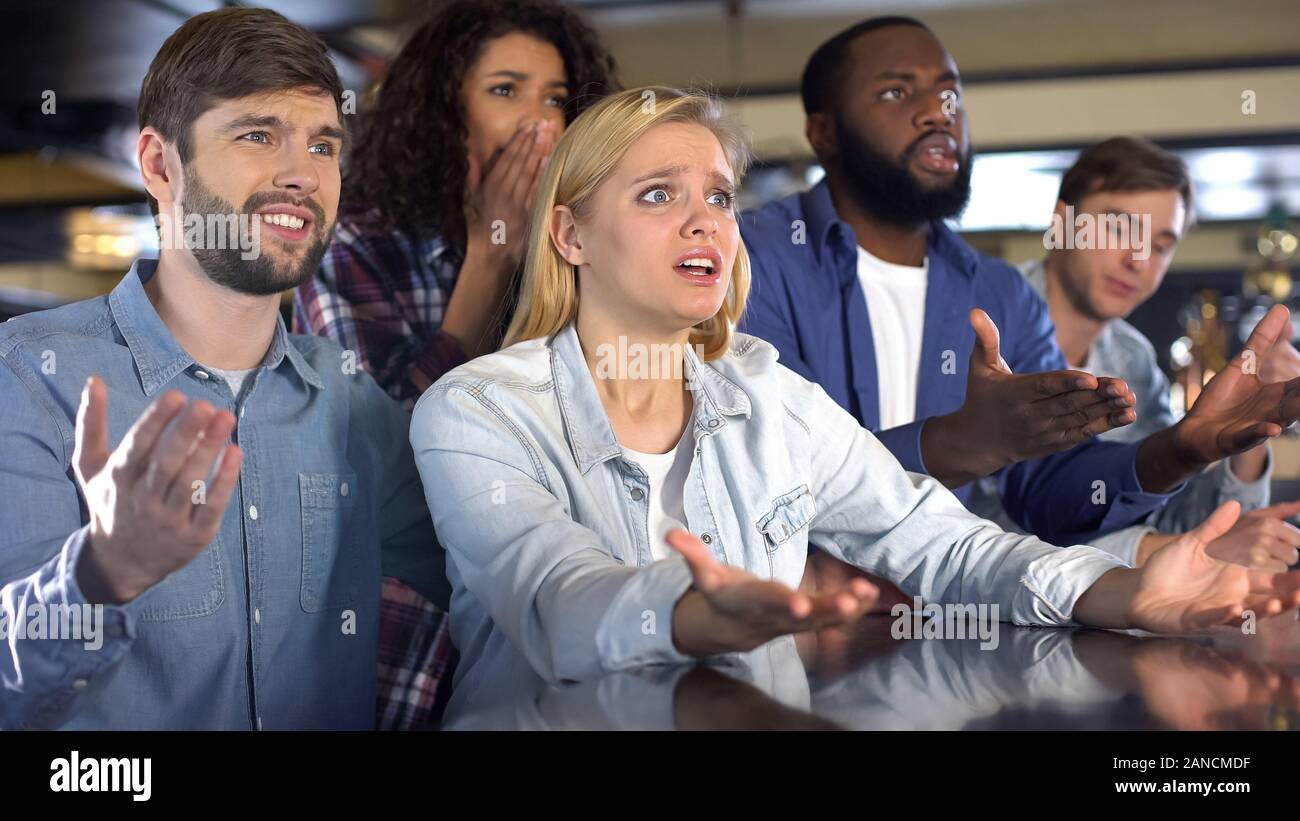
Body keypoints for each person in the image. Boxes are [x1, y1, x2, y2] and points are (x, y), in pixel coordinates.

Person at [408, 87, 1300, 721]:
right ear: (568, 233)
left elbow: (941, 542)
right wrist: (691, 611)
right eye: (657, 195)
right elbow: (555, 601)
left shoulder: (766, 392)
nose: (705, 222)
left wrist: (1126, 590)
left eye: (718, 196)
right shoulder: (477, 409)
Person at [0, 8, 440, 729]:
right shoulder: (26, 374)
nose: (302, 173)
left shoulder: (355, 404)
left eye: (324, 145)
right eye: (258, 135)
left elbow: (502, 587)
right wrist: (102, 572)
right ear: (158, 163)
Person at [738, 16, 1300, 548]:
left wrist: (1180, 449)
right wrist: (967, 441)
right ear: (824, 132)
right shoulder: (748, 258)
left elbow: (1050, 489)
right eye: (897, 92)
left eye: (950, 94)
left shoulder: (1001, 293)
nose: (938, 112)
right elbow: (782, 471)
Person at [969, 136, 1300, 570]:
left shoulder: (1134, 360)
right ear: (1061, 221)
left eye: (1161, 245)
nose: (1138, 259)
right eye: (1120, 228)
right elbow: (964, 526)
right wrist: (1167, 554)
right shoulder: (978, 318)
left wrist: (1252, 432)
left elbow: (1173, 517)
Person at [294, 0, 617, 407]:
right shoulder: (353, 241)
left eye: (555, 100)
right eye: (505, 90)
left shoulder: (585, 236)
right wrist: (491, 257)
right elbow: (377, 442)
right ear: (443, 113)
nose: (541, 123)